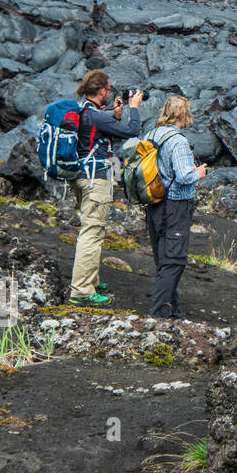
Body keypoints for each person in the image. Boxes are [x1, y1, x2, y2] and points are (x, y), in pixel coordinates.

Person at [69, 71, 142, 305]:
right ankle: (82, 291)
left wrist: (115, 113)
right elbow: (132, 132)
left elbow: (102, 130)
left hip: (81, 176)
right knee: (92, 233)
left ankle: (90, 280)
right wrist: (134, 107)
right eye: (109, 90)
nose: (110, 93)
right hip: (96, 178)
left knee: (91, 228)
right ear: (101, 91)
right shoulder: (98, 117)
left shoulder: (84, 111)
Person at [144, 95, 207, 320]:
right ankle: (158, 313)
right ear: (184, 115)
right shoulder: (178, 140)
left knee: (163, 257)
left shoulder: (152, 134)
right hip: (175, 205)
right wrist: (198, 173)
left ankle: (173, 311)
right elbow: (183, 176)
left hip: (153, 203)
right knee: (174, 260)